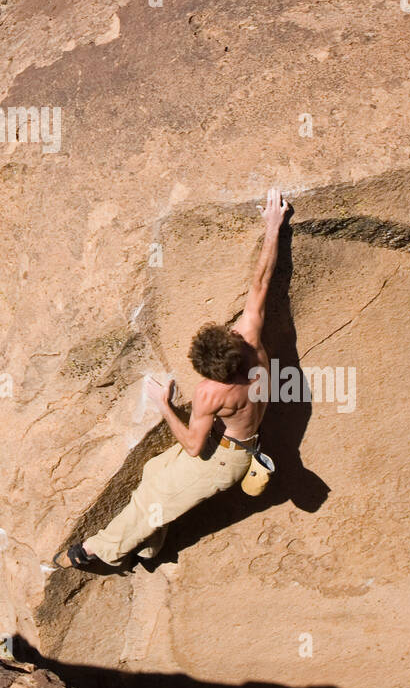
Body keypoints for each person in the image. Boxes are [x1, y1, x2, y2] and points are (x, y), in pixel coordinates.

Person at [55, 188, 289, 572]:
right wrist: (273, 227)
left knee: (152, 500)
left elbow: (195, 447)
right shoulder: (251, 340)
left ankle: (99, 551)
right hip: (236, 439)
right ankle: (150, 548)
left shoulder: (211, 394)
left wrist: (164, 405)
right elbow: (261, 282)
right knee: (153, 472)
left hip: (221, 461)